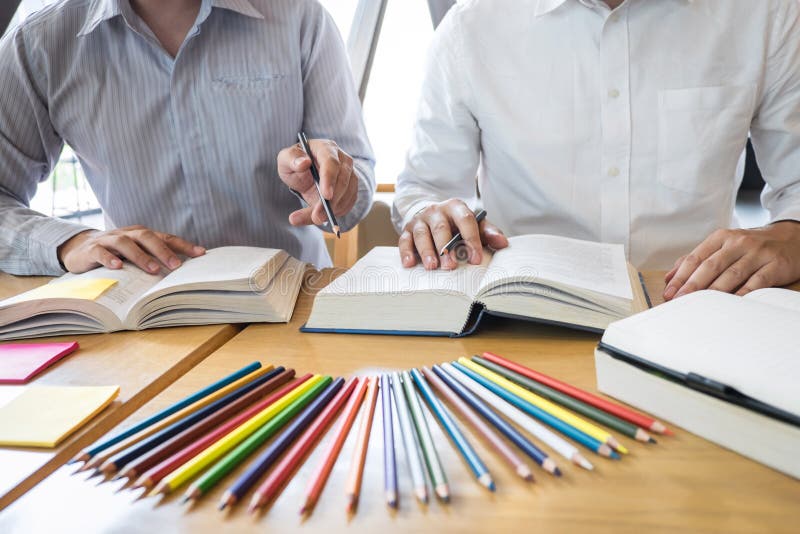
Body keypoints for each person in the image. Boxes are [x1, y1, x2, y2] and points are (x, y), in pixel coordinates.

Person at [393, 0, 800, 300]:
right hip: (520, 319)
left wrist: (791, 235)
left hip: (700, 308)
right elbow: (425, 189)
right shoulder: (471, 27)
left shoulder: (765, 13)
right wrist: (431, 217)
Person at [0, 0, 375, 276]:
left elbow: (352, 193)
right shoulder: (38, 45)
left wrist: (329, 189)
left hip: (293, 305)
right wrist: (66, 242)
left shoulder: (299, 17)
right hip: (144, 318)